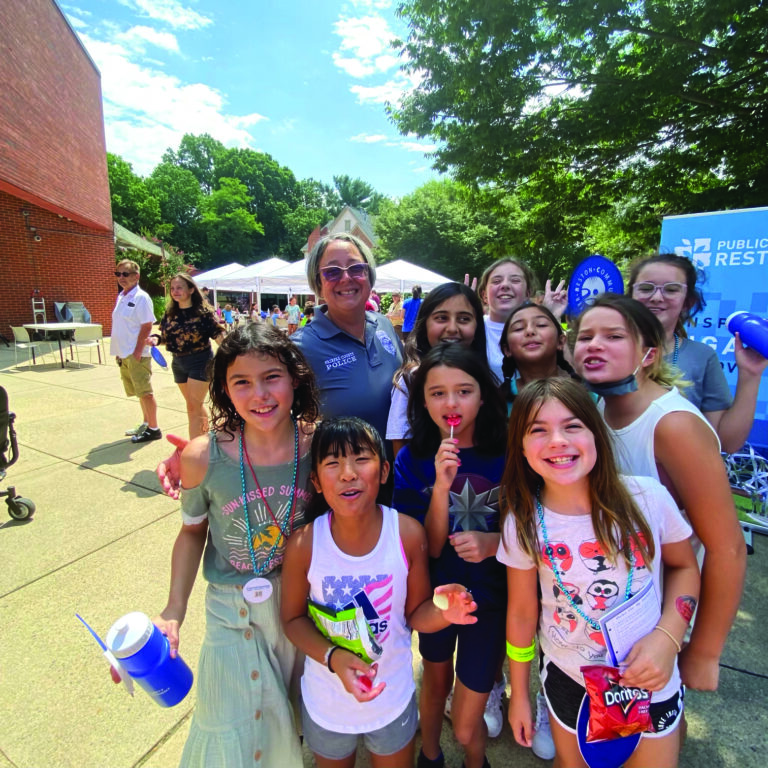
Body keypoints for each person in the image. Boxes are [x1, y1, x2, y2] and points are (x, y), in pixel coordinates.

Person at [126, 324, 320, 767]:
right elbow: (192, 532)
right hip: (230, 609)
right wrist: (173, 610)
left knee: (286, 720)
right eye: (242, 382)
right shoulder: (202, 456)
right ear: (224, 390)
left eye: (272, 377)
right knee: (227, 724)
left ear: (295, 378)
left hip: (298, 604)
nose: (260, 394)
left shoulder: (317, 443)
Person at [498, 378, 699, 768]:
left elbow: (685, 566)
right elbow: (521, 614)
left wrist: (668, 637)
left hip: (651, 678)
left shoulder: (648, 499)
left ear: (596, 433)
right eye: (538, 430)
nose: (558, 440)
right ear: (520, 448)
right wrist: (519, 693)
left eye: (572, 425)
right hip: (570, 681)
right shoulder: (521, 523)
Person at [572, 293, 746, 691]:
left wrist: (704, 652)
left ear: (648, 355)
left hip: (660, 617)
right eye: (585, 337)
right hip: (613, 607)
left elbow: (728, 548)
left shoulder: (673, 426)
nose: (595, 345)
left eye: (613, 336)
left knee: (658, 719)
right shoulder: (598, 408)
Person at [281, 416, 478, 768]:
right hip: (326, 704)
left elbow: (415, 613)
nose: (348, 474)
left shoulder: (407, 535)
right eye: (332, 463)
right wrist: (333, 657)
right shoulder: (303, 545)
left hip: (392, 699)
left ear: (384, 471)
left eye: (361, 458)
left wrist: (445, 612)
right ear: (316, 481)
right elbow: (293, 620)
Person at [394, 344, 508, 768]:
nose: (451, 403)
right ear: (423, 402)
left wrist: (493, 543)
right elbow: (430, 546)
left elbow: (533, 531)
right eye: (437, 393)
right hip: (435, 595)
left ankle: (475, 760)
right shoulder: (412, 460)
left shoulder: (508, 452)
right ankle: (430, 754)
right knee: (435, 679)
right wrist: (441, 487)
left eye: (464, 390)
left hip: (489, 600)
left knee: (466, 717)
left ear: (483, 395)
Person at [627, 252, 768, 453]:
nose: (656, 297)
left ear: (688, 301)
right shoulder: (602, 348)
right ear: (630, 296)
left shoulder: (702, 357)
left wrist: (750, 375)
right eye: (646, 288)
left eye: (671, 289)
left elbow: (726, 443)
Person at [291, 233, 403, 447]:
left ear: (369, 275)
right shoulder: (300, 348)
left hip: (403, 466)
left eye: (356, 268)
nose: (345, 278)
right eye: (332, 272)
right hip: (347, 468)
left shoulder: (384, 325)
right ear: (318, 283)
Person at [386, 282, 487, 458]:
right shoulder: (411, 379)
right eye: (441, 318)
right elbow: (400, 444)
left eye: (464, 319)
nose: (452, 328)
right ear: (425, 323)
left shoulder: (483, 374)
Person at [153, 273, 225, 439]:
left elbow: (218, 334)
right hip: (178, 362)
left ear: (191, 289)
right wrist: (155, 340)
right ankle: (205, 438)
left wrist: (231, 350)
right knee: (194, 405)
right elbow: (166, 338)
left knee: (193, 406)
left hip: (200, 361)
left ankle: (194, 446)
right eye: (172, 288)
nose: (175, 291)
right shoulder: (170, 313)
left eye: (179, 288)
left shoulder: (203, 313)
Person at [476, 258, 567, 384]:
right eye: (496, 281)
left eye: (515, 280)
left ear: (527, 294)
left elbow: (569, 369)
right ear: (484, 295)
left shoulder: (542, 329)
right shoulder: (473, 328)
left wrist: (552, 318)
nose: (505, 285)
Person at [110, 259, 162, 443]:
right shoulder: (122, 296)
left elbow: (147, 325)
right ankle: (146, 424)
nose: (121, 277)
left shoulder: (141, 297)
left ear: (137, 276)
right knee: (139, 393)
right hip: (124, 353)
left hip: (136, 354)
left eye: (125, 274)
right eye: (118, 274)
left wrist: (138, 351)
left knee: (145, 392)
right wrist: (119, 351)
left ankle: (154, 429)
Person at [498, 302, 577, 415]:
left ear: (560, 342)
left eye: (541, 325)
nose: (530, 331)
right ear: (507, 350)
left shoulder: (586, 395)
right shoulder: (496, 403)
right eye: (518, 328)